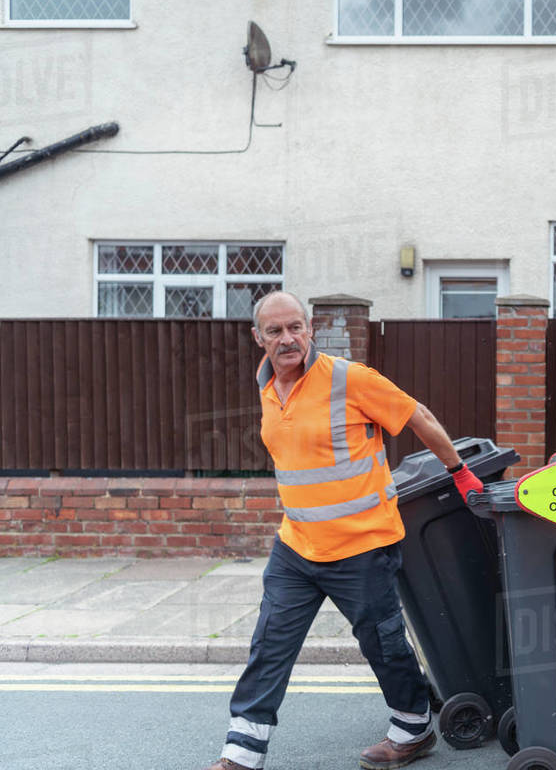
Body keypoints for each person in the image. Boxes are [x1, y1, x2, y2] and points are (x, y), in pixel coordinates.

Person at [205, 291, 484, 770]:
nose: (287, 339)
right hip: (297, 547)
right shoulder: (268, 386)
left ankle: (414, 728)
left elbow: (418, 416)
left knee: (383, 644)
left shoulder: (350, 379)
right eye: (275, 331)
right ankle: (241, 753)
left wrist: (459, 472)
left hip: (361, 546)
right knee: (269, 645)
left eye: (295, 327)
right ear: (258, 338)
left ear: (310, 328)